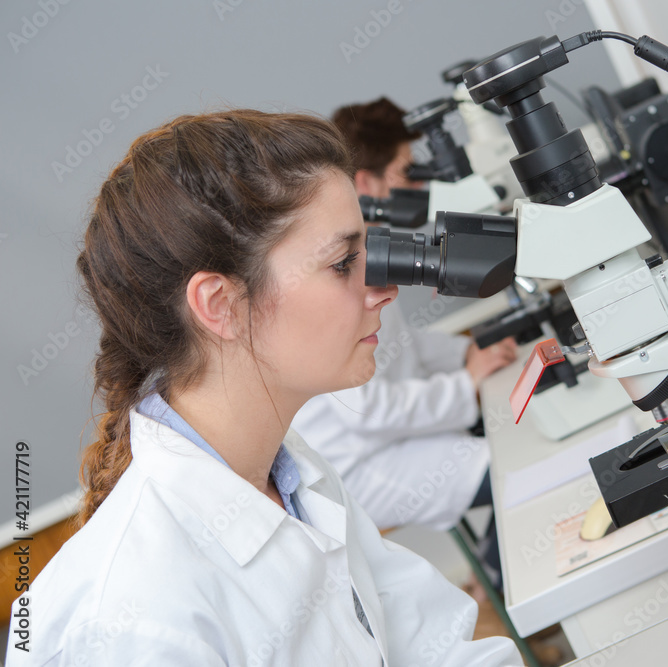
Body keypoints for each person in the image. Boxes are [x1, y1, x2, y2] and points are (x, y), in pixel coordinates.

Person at [6, 110, 521, 666]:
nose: (385, 288)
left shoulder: (293, 476)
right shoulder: (136, 618)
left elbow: (435, 645)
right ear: (221, 305)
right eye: (344, 262)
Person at [292, 98, 517, 534]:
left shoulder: (364, 256)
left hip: (388, 438)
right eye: (407, 170)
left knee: (501, 441)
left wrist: (471, 349)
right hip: (356, 463)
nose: (419, 184)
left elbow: (401, 345)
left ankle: (494, 566)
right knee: (506, 461)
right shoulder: (331, 275)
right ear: (366, 183)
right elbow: (367, 410)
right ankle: (501, 577)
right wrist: (465, 383)